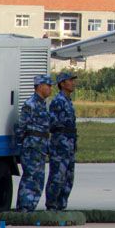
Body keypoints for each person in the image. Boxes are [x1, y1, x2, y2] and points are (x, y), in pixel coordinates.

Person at [15, 74, 52, 211]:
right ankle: (24, 209)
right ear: (40, 86)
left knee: (38, 179)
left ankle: (30, 208)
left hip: (40, 148)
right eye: (48, 85)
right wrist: (21, 144)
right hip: (32, 148)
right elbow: (21, 126)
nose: (50, 88)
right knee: (30, 178)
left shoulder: (42, 104)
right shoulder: (30, 104)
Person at [46, 71, 78, 210]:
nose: (73, 83)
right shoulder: (58, 101)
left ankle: (62, 205)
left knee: (68, 178)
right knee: (57, 177)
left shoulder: (68, 101)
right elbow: (52, 123)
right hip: (60, 144)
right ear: (62, 84)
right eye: (70, 80)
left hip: (69, 144)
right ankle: (52, 206)